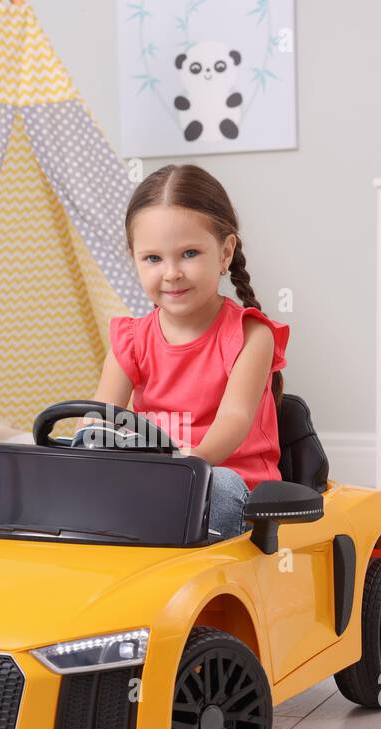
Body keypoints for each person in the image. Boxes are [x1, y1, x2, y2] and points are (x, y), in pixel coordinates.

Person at [90, 163, 289, 541]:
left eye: (189, 253)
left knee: (220, 486)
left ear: (225, 252)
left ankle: (193, 572)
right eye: (153, 258)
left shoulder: (250, 335)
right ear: (133, 258)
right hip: (154, 482)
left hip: (230, 483)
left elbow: (233, 420)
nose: (171, 273)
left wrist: (185, 467)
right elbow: (100, 418)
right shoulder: (129, 339)